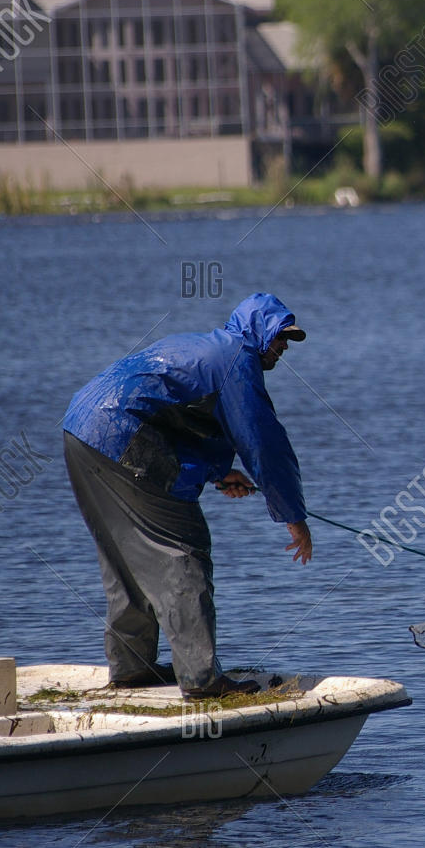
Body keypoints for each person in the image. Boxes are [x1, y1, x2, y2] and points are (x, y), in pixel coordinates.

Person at [62, 292, 313, 698]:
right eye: (280, 337)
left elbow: (171, 417)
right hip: (118, 435)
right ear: (258, 332)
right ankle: (202, 680)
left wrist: (217, 473)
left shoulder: (207, 348)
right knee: (183, 547)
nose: (284, 347)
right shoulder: (238, 361)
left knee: (125, 552)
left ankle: (132, 667)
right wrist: (293, 516)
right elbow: (264, 445)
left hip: (81, 429)